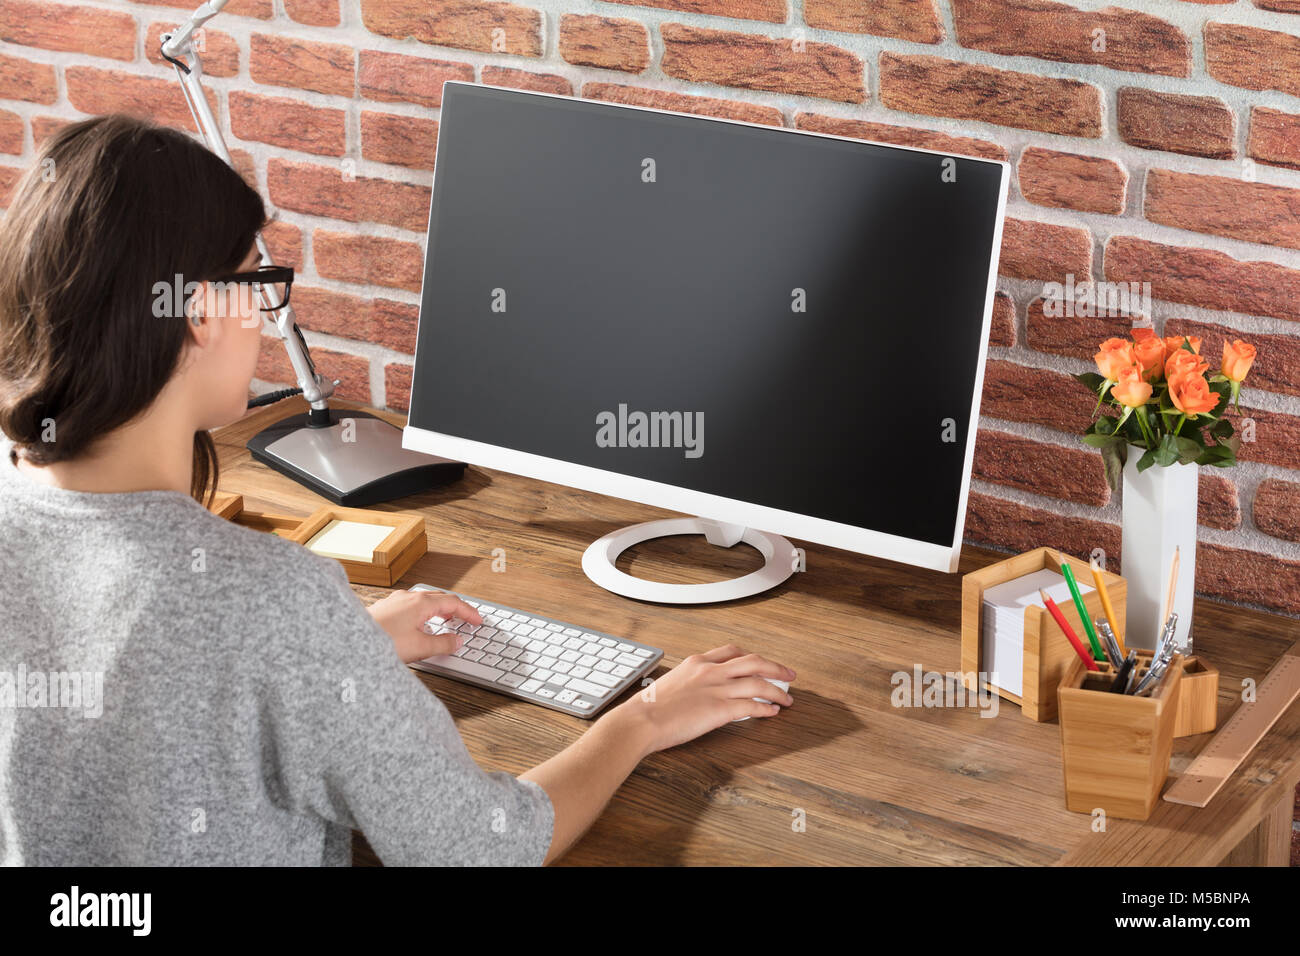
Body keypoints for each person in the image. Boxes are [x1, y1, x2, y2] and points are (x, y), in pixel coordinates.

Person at [0, 114, 795, 866]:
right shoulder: (270, 601)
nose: (269, 317)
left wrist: (341, 656)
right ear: (200, 311)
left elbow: (148, 698)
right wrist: (646, 717)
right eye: (259, 281)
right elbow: (479, 847)